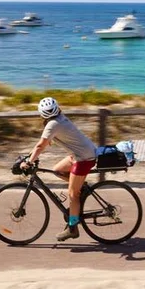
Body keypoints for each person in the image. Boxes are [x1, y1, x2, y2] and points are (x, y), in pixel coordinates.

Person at [22, 97, 98, 242]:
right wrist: (29, 157)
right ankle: (81, 186)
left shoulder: (53, 124)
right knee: (57, 170)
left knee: (72, 194)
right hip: (79, 155)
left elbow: (40, 146)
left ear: (42, 114)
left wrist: (28, 162)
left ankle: (72, 228)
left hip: (84, 158)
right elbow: (42, 144)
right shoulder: (59, 119)